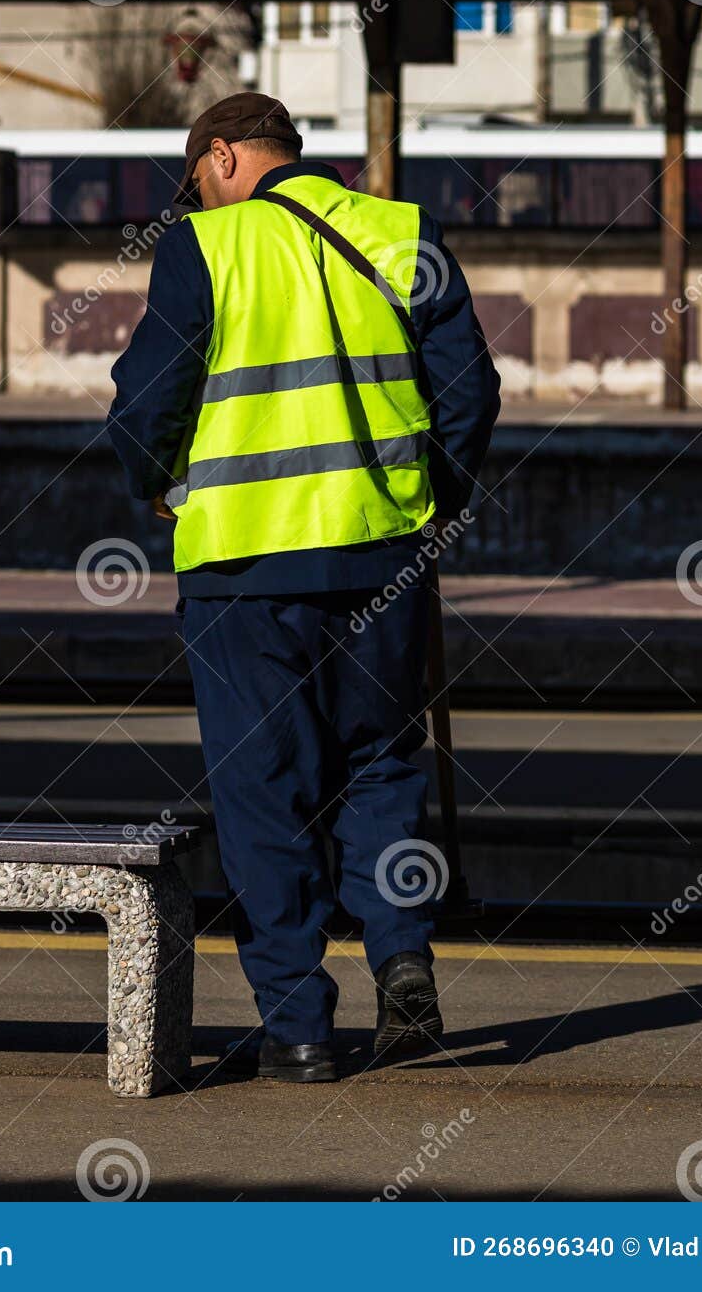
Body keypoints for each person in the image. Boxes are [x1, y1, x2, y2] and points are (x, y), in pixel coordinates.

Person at [107, 93, 500, 1082]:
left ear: (226, 156)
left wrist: (153, 482)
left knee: (264, 790)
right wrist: (429, 498)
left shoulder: (208, 246)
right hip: (381, 556)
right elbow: (469, 388)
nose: (194, 192)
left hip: (244, 566)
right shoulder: (403, 231)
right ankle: (401, 953)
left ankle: (297, 1028)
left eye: (196, 173)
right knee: (376, 763)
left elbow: (149, 396)